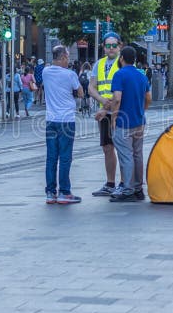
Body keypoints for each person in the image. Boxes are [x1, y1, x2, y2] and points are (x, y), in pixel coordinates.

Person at [109, 46, 152, 202]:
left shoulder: (119, 75)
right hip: (139, 121)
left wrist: (114, 118)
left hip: (123, 122)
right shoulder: (142, 76)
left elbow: (117, 98)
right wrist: (142, 111)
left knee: (126, 155)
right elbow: (149, 98)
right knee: (137, 154)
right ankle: (138, 188)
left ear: (121, 58)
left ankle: (128, 189)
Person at [42, 45, 83, 205]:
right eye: (68, 57)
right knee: (65, 157)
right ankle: (64, 192)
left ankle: (50, 193)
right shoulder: (70, 74)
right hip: (66, 120)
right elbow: (80, 92)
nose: (69, 60)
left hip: (51, 120)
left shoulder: (46, 72)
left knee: (51, 157)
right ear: (64, 57)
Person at [89, 32, 123, 196]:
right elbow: (91, 87)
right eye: (107, 45)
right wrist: (103, 101)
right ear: (103, 47)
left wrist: (107, 104)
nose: (110, 48)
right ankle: (110, 184)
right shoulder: (99, 64)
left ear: (119, 46)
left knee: (123, 148)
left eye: (113, 45)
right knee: (107, 148)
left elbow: (123, 89)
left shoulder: (123, 63)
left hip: (120, 111)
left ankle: (125, 184)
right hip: (105, 112)